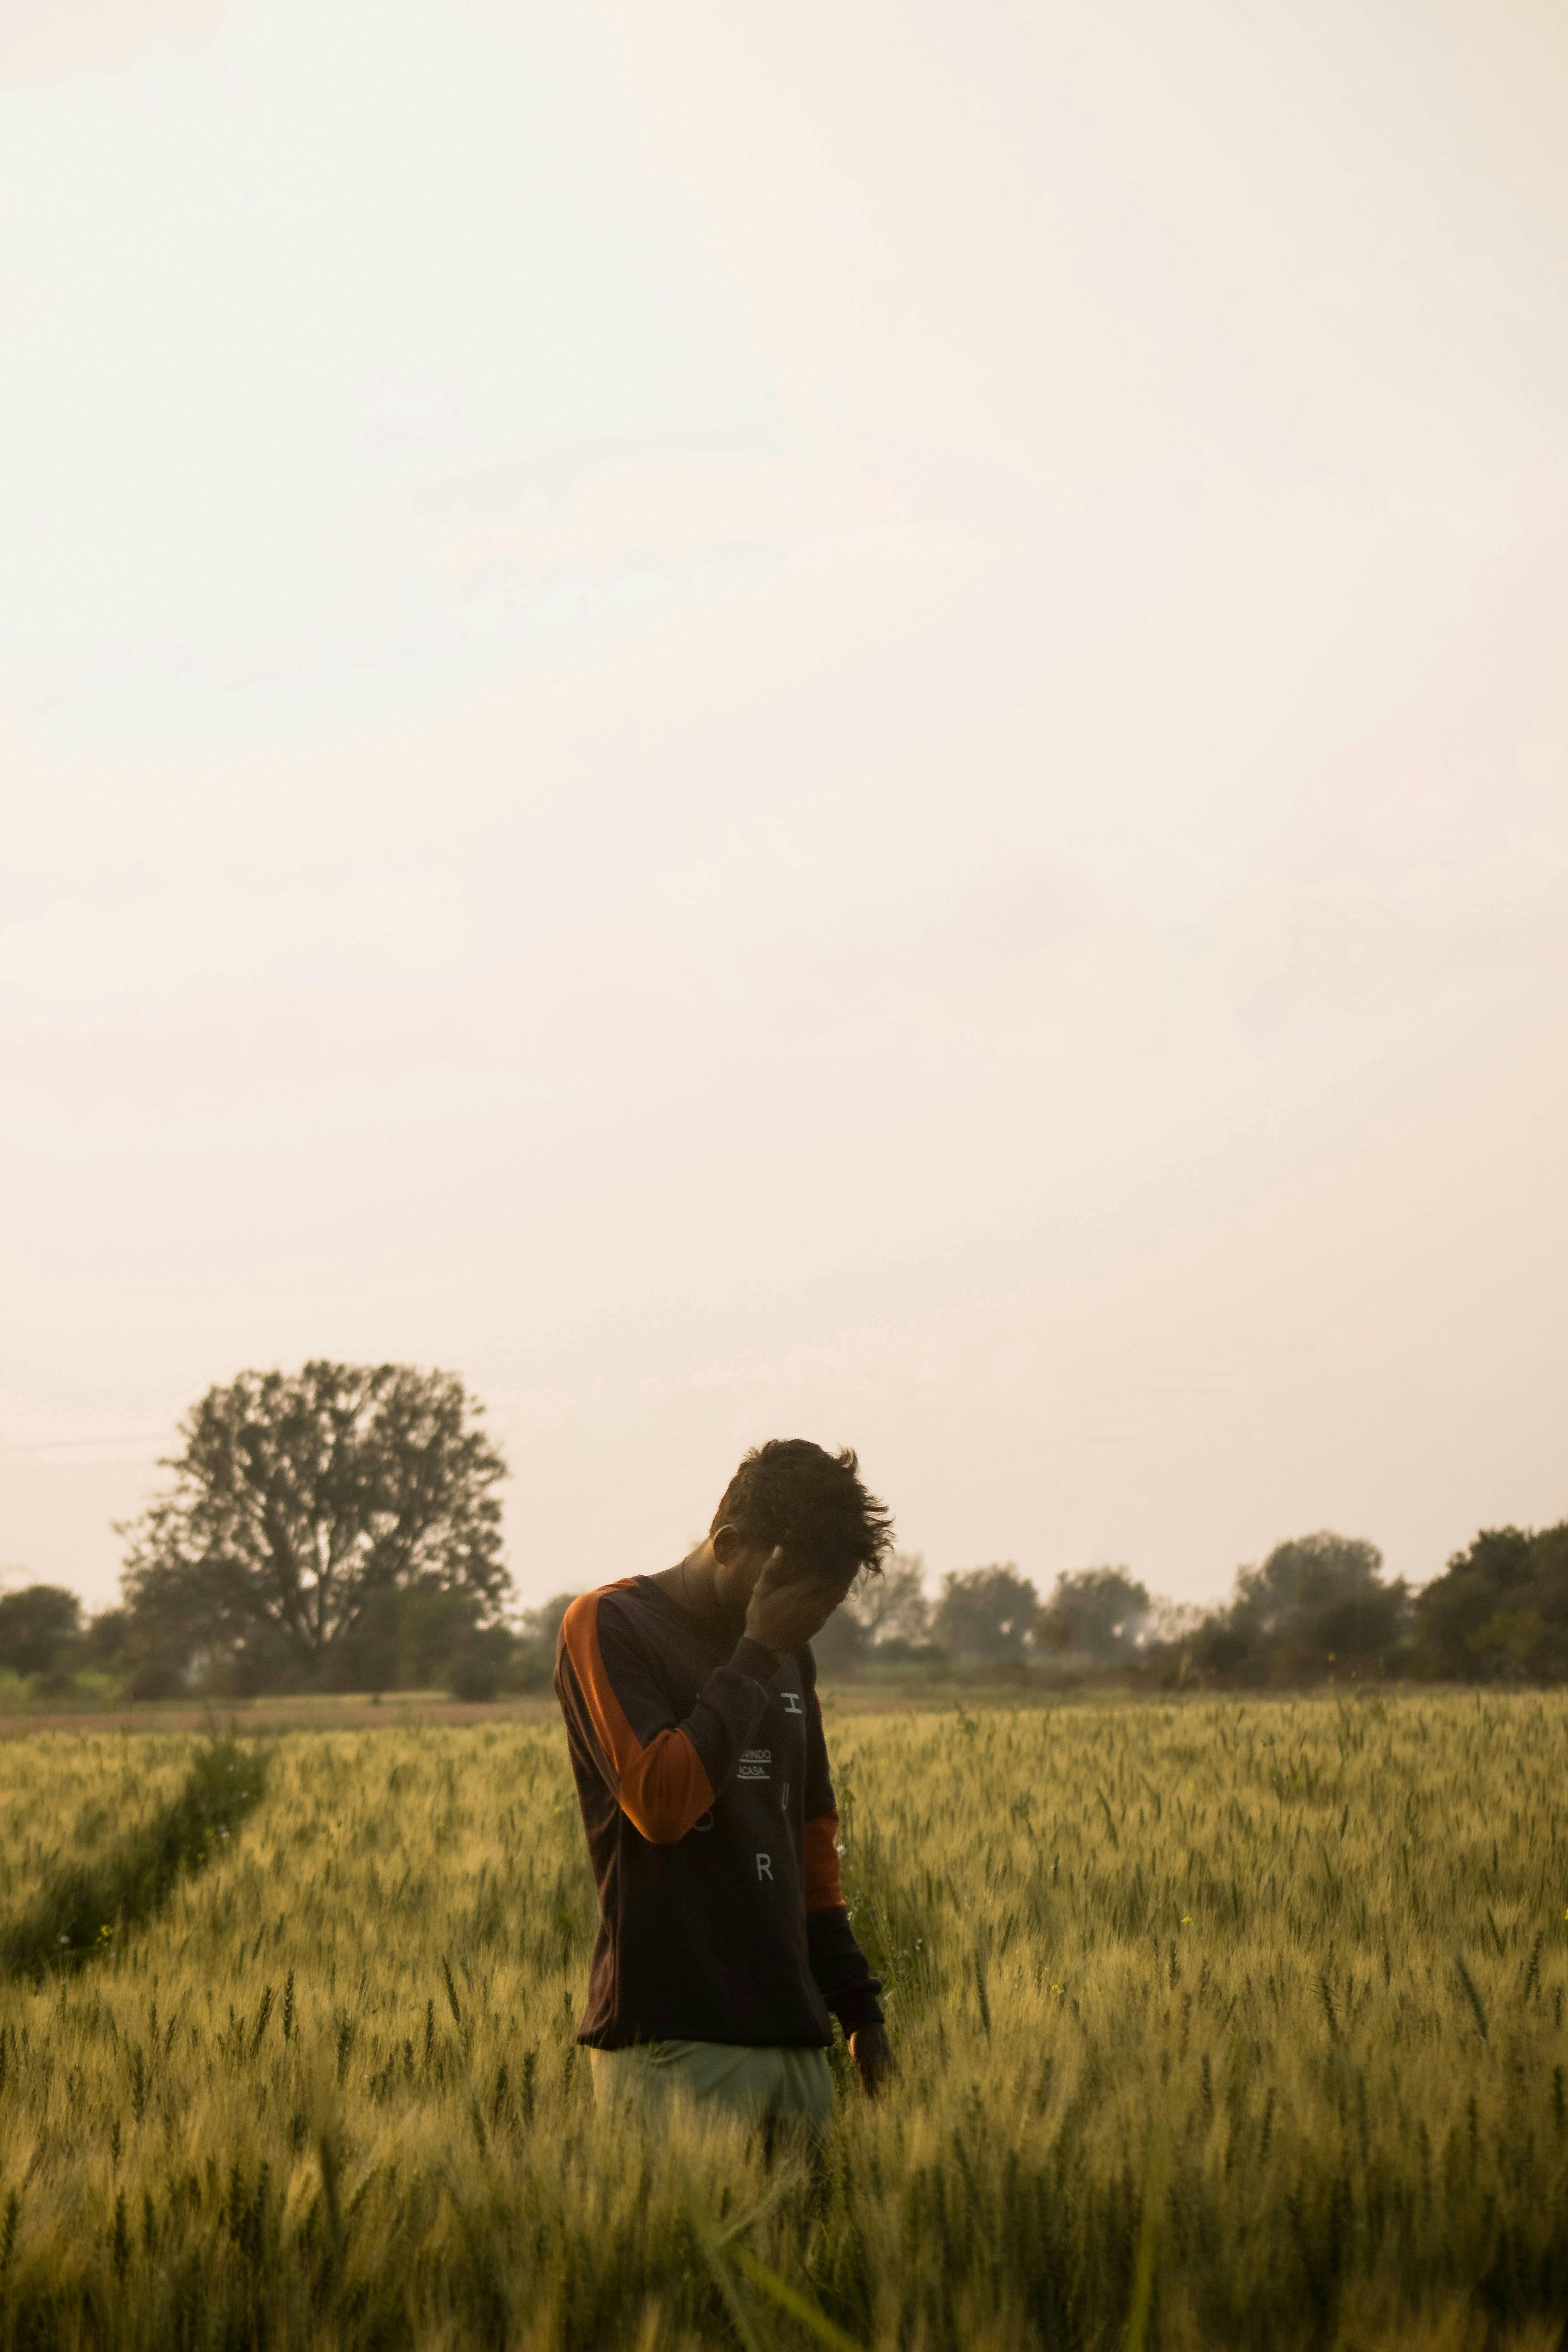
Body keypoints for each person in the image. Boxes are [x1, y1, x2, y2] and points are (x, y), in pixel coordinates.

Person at [554, 1438, 897, 2129]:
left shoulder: (788, 1654)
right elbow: (661, 1805)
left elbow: (810, 1842)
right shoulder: (612, 1624)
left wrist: (859, 2013)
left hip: (797, 2040)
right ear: (729, 1544)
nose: (807, 1619)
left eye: (823, 1604)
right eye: (789, 1591)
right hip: (672, 2044)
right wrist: (757, 1655)